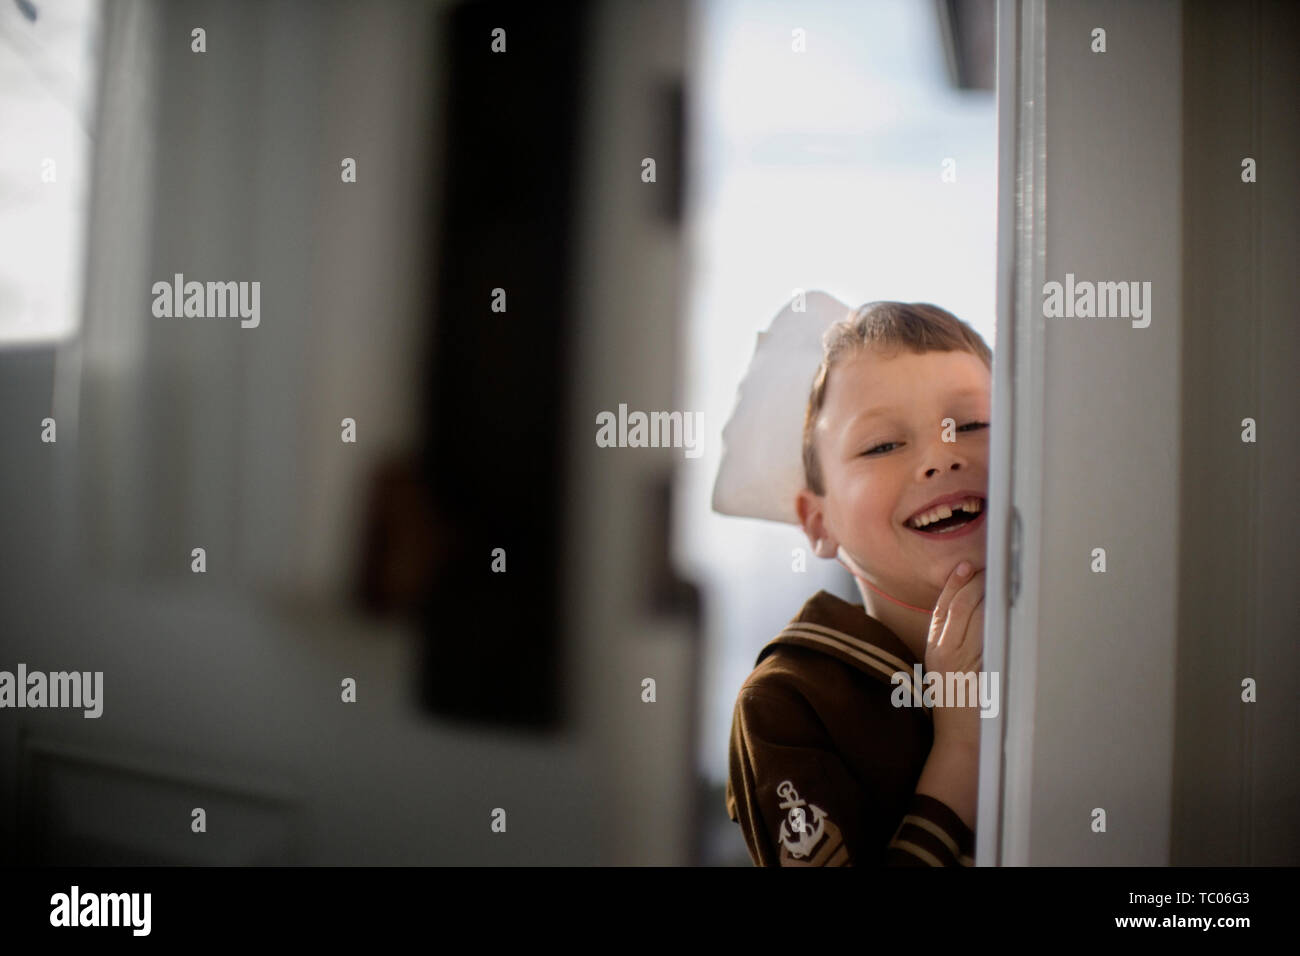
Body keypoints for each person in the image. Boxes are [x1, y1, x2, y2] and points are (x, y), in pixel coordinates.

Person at [716, 297, 993, 866]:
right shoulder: (786, 705)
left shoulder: (1075, 629)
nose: (941, 458)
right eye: (883, 445)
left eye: (971, 424)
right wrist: (960, 751)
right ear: (819, 522)